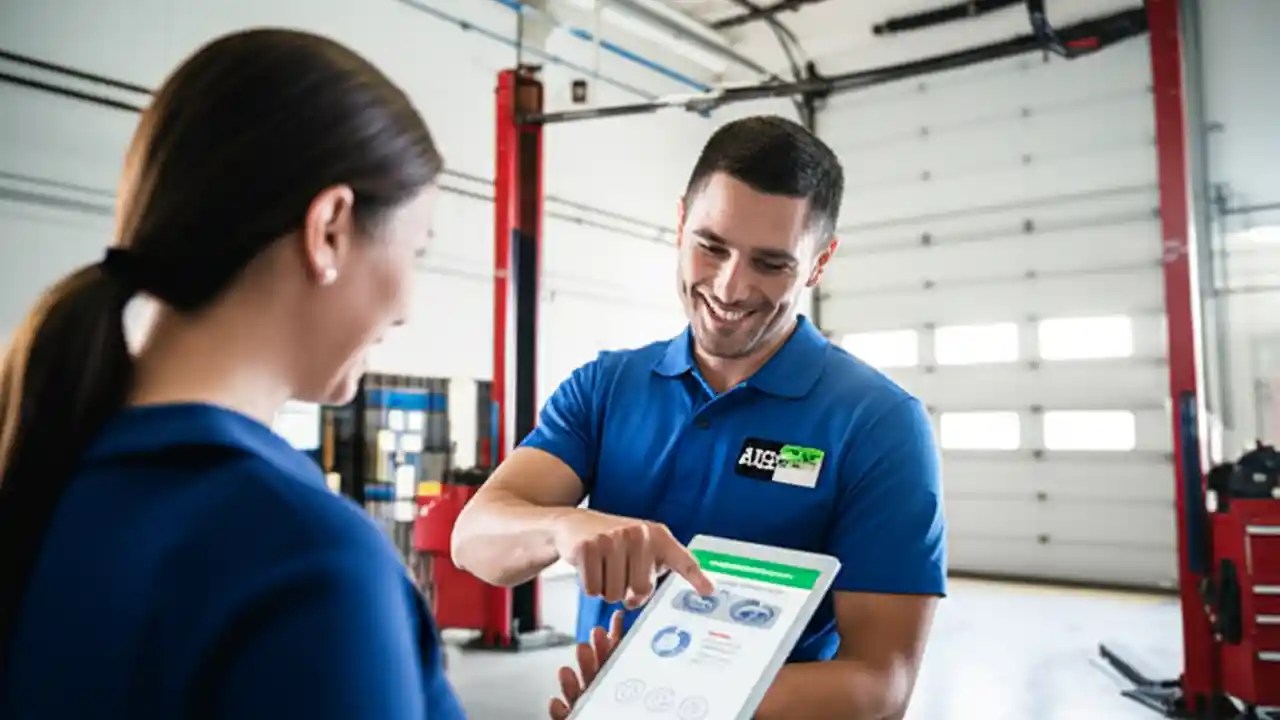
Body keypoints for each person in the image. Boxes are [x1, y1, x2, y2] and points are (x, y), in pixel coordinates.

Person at [0, 28, 610, 719]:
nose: (408, 305)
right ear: (329, 230)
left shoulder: (40, 470)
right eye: (417, 250)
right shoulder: (306, 557)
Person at [451, 115, 948, 719]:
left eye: (771, 264)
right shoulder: (606, 388)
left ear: (819, 263)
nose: (729, 287)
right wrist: (562, 527)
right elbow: (474, 541)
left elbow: (881, 684)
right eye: (711, 247)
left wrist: (663, 699)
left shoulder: (879, 426)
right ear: (681, 221)